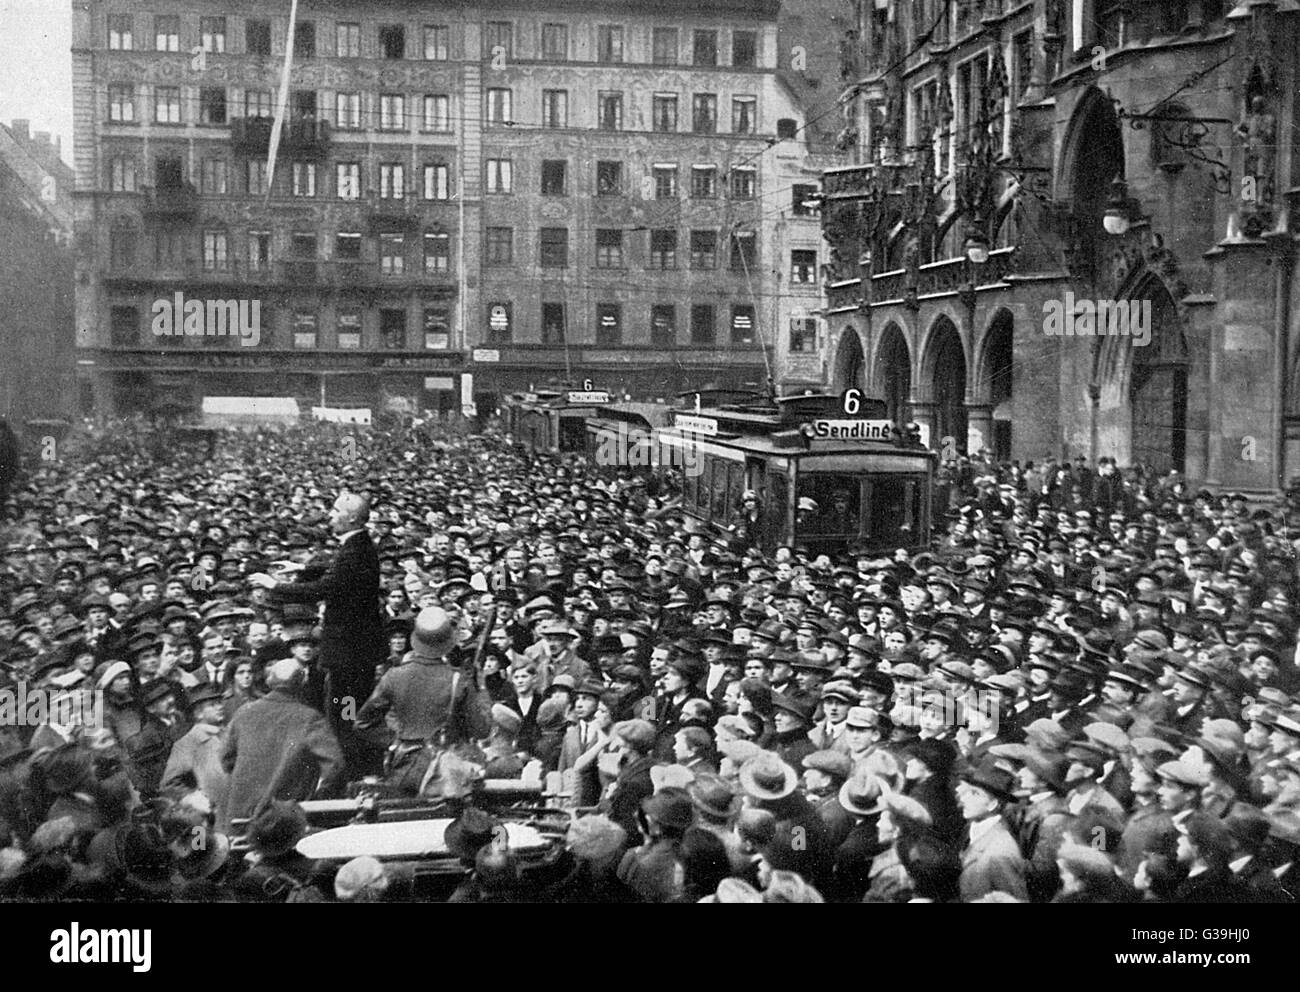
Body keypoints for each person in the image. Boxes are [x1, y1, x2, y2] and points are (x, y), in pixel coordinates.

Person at [249, 492, 385, 777]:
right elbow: (336, 570)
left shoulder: (354, 551)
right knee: (347, 712)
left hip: (348, 656)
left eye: (335, 511)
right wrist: (301, 568)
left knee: (345, 716)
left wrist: (273, 586)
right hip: (356, 651)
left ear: (350, 518)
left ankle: (351, 773)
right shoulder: (359, 545)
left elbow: (322, 588)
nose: (330, 515)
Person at [355, 606, 489, 792]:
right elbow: (482, 730)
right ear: (448, 642)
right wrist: (481, 687)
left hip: (405, 767)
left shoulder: (394, 675)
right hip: (447, 771)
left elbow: (362, 723)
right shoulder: (458, 679)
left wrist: (394, 743)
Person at [219, 658, 345, 833]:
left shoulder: (244, 712)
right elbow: (335, 765)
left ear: (271, 681)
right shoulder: (309, 718)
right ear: (303, 683)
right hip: (285, 818)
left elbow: (226, 759)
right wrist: (314, 797)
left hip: (241, 816)